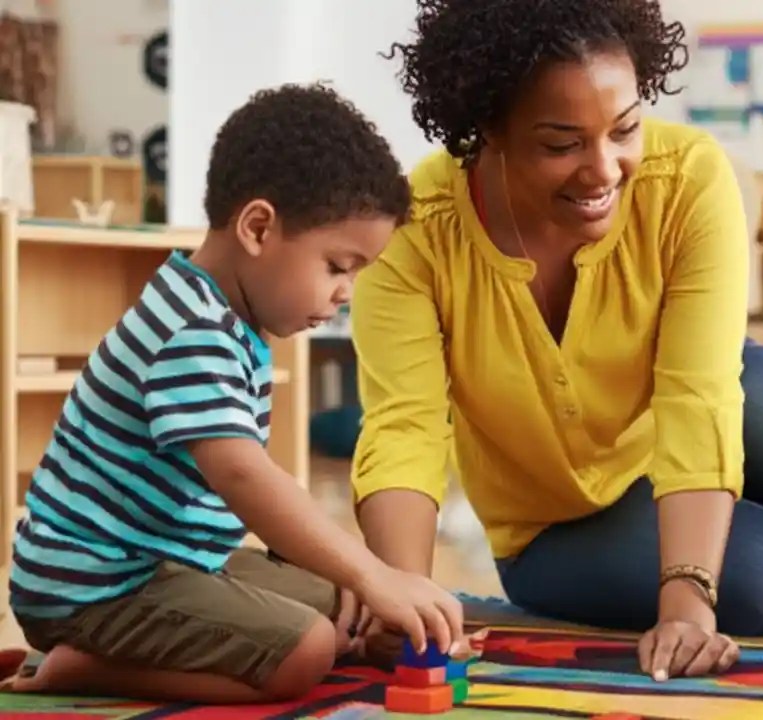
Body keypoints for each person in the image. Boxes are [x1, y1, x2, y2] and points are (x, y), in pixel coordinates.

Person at [351, 0, 763, 682]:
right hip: (558, 525)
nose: (604, 169)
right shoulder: (416, 231)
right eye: (562, 144)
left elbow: (698, 394)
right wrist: (402, 593)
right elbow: (405, 427)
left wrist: (688, 601)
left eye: (625, 129)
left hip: (703, 402)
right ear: (488, 127)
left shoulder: (687, 178)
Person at [6, 84, 467, 703]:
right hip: (91, 589)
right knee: (305, 650)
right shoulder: (191, 331)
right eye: (337, 267)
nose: (345, 294)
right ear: (257, 228)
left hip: (163, 561)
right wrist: (375, 573)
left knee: (343, 603)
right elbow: (244, 476)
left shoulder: (220, 315)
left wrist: (365, 588)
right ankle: (84, 668)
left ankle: (345, 630)